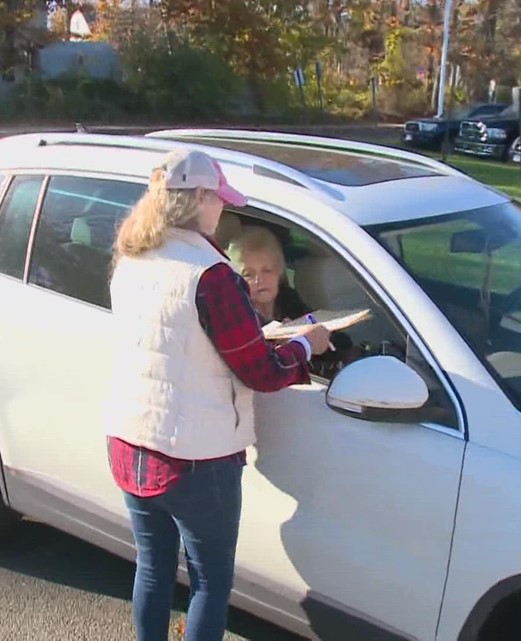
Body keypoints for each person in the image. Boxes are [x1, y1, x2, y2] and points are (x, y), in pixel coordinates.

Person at [105, 148, 333, 641]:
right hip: (196, 460)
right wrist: (303, 345)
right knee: (209, 580)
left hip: (129, 442)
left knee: (153, 567)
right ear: (201, 198)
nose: (223, 213)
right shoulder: (211, 277)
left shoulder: (133, 256)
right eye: (220, 202)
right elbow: (261, 372)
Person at [226, 225, 362, 374]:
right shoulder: (238, 315)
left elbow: (333, 340)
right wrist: (289, 346)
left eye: (267, 270)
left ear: (279, 270)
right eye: (248, 274)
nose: (259, 280)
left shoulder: (288, 299)